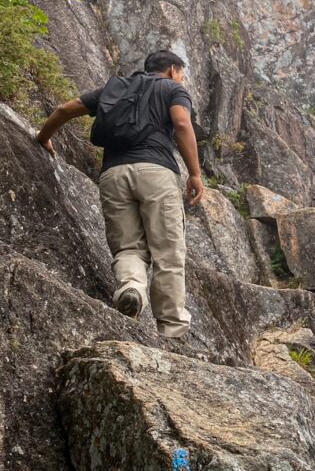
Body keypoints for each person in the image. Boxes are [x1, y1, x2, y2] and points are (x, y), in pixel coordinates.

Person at [35, 49, 204, 337]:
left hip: (113, 174)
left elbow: (64, 109)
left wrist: (43, 138)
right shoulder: (173, 89)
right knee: (168, 252)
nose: (182, 80)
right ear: (173, 70)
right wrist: (195, 173)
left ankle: (131, 288)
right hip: (156, 173)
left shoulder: (115, 88)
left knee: (127, 248)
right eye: (182, 75)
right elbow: (181, 122)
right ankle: (172, 330)